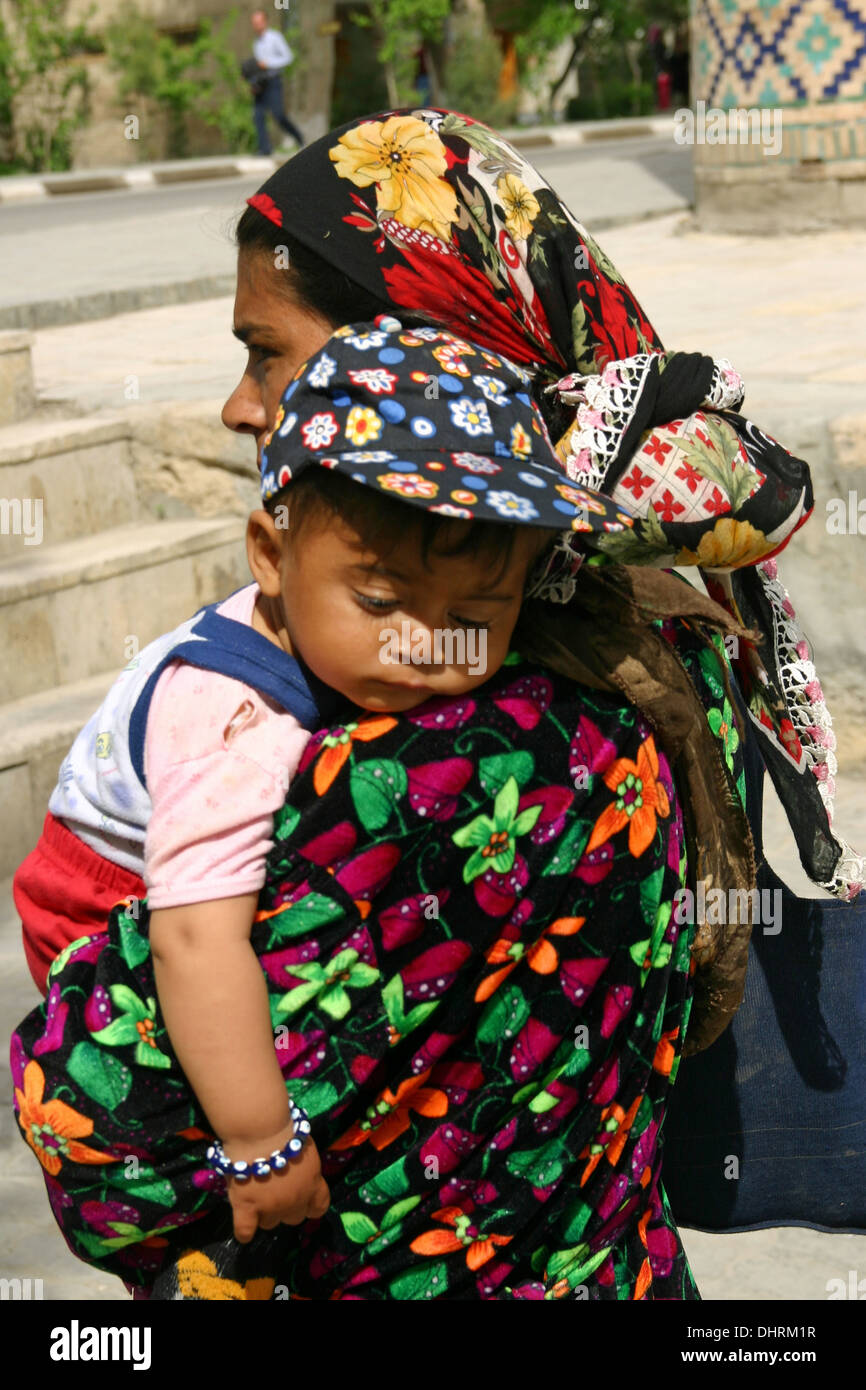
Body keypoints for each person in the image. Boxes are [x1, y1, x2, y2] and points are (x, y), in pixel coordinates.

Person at [10, 109, 862, 1302]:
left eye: (270, 354)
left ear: (418, 376)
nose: (239, 407)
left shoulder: (415, 745)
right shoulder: (647, 635)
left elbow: (111, 1146)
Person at [249, 8, 304, 156]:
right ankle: (265, 149)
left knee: (278, 115)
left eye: (259, 22)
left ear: (265, 22)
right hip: (261, 84)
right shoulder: (256, 43)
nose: (257, 25)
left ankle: (299, 138)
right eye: (254, 23)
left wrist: (269, 63)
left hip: (273, 81)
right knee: (258, 116)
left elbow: (288, 57)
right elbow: (258, 66)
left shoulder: (275, 37)